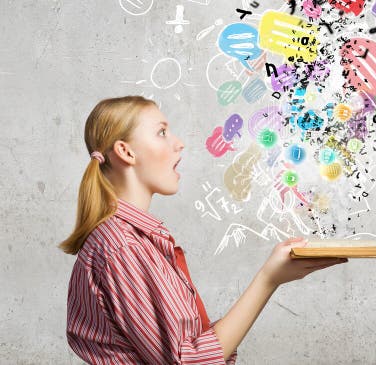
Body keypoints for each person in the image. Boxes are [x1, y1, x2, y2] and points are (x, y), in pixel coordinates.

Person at [59, 95, 347, 364]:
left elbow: (190, 349)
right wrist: (268, 280)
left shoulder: (130, 240)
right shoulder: (124, 246)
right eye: (161, 132)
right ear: (126, 151)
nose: (178, 143)